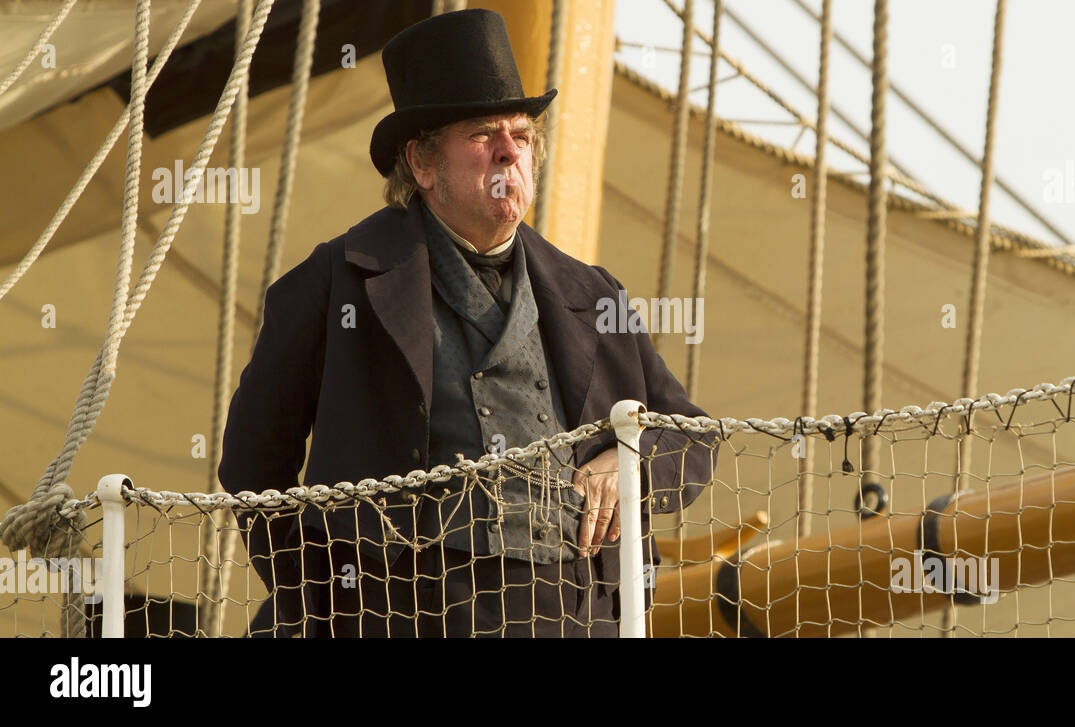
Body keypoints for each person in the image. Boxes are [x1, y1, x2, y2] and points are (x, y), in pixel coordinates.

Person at [217, 9, 715, 637]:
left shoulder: (594, 293)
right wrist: (325, 607)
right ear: (422, 164)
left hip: (577, 621)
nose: (511, 149)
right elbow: (252, 468)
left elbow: (695, 436)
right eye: (483, 134)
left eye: (522, 134)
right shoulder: (334, 281)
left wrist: (629, 458)